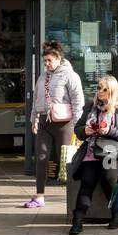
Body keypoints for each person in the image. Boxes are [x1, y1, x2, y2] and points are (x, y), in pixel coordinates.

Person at [27, 40, 85, 209]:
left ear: (59, 58)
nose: (46, 64)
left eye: (49, 60)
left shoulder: (70, 76)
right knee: (41, 157)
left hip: (64, 124)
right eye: (44, 61)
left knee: (67, 162)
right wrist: (34, 119)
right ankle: (39, 196)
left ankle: (75, 196)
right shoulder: (43, 77)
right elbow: (36, 98)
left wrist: (77, 125)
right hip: (45, 122)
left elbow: (78, 101)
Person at [68, 75, 118, 235]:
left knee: (110, 180)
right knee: (87, 182)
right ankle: (78, 220)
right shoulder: (90, 106)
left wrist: (109, 131)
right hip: (92, 151)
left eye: (104, 89)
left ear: (112, 91)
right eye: (99, 88)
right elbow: (78, 129)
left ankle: (116, 215)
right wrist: (85, 131)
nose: (100, 92)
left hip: (110, 152)